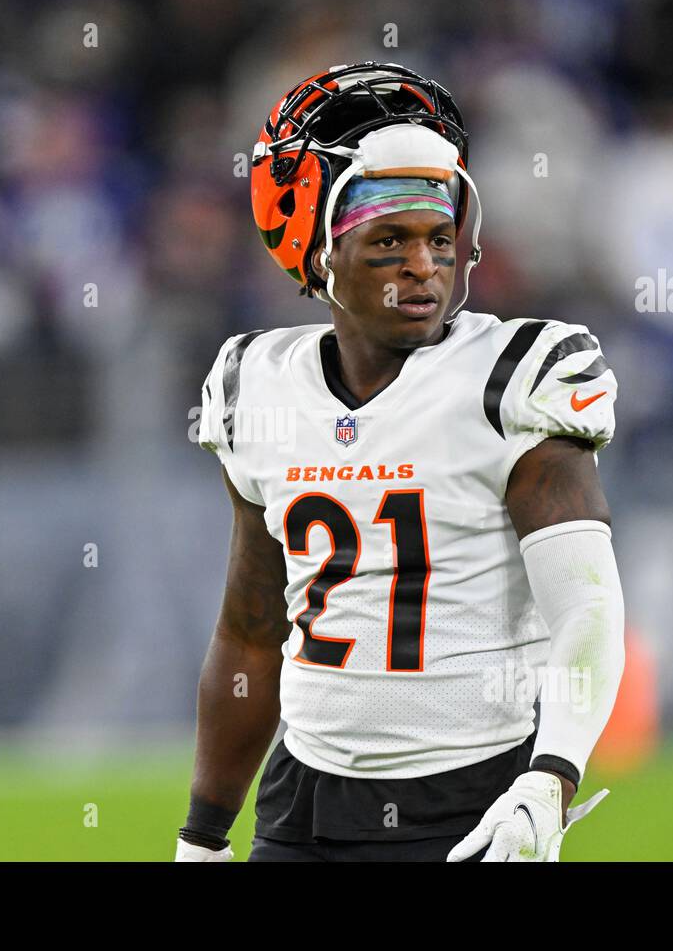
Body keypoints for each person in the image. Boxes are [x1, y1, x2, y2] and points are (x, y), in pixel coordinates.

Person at [177, 62, 624, 862]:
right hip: (302, 803)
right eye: (389, 241)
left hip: (472, 797)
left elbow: (586, 611)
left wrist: (550, 778)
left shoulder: (513, 377)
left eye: (438, 238)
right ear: (316, 248)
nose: (424, 265)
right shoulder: (258, 387)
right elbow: (249, 634)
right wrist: (204, 835)